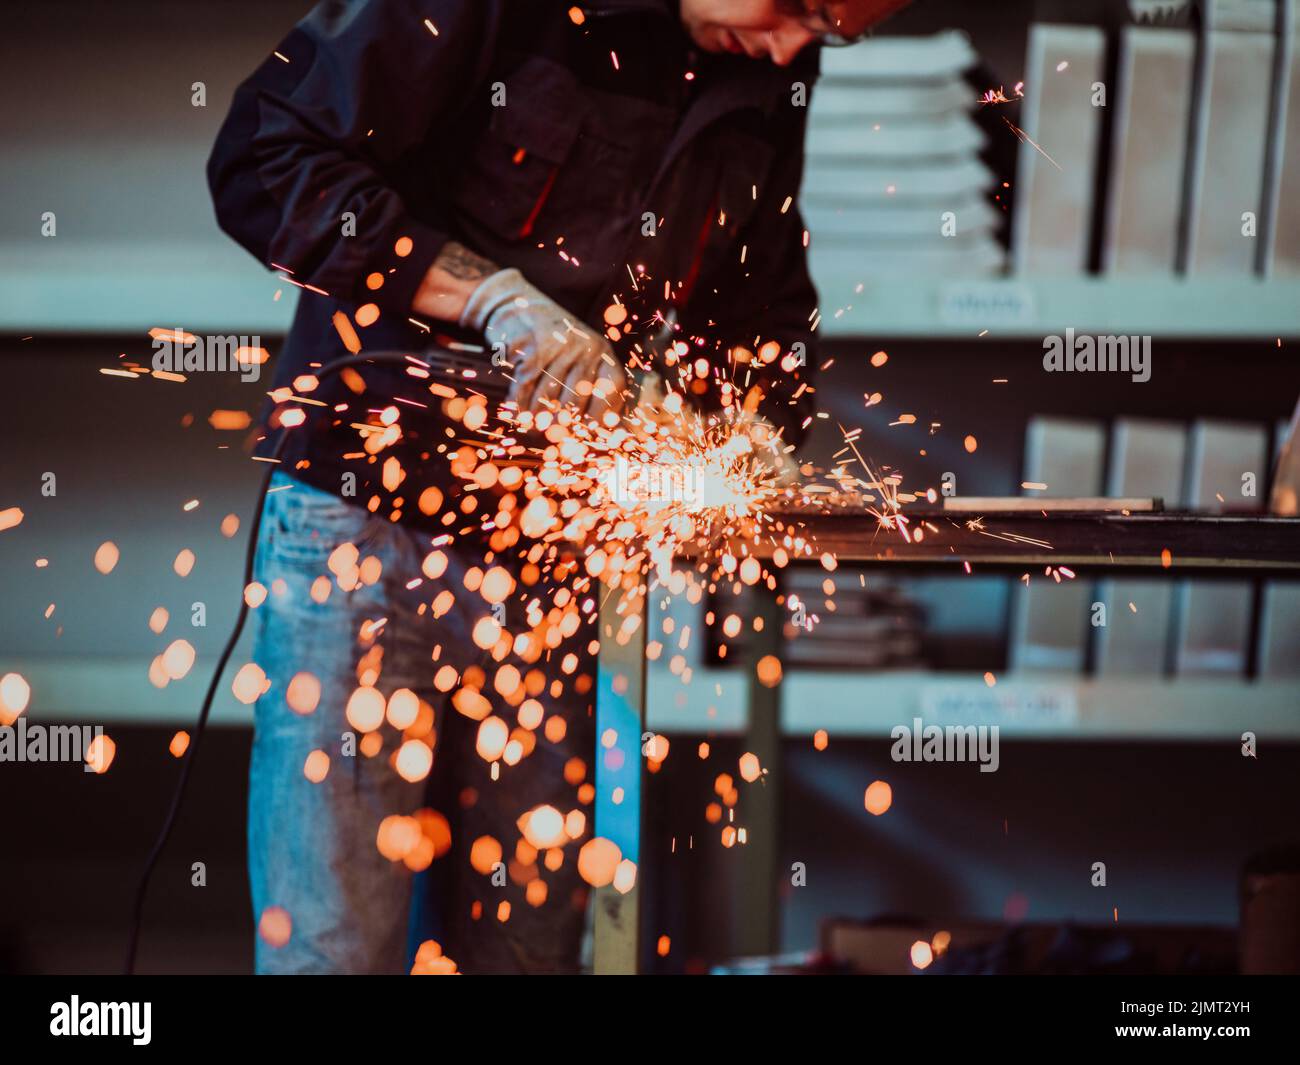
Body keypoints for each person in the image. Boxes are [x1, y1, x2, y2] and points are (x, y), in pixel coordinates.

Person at [208, 0, 910, 975]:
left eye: (833, 32)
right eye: (796, 4)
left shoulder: (759, 64)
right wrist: (487, 296)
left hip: (551, 552)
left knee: (523, 950)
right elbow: (264, 156)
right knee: (333, 951)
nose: (797, 45)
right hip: (365, 526)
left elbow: (759, 300)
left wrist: (748, 431)